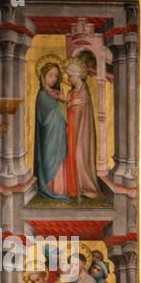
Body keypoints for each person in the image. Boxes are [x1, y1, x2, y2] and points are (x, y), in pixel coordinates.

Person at [61, 57, 101, 199]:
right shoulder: (72, 93)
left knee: (80, 156)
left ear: (77, 75)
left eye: (70, 76)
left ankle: (86, 187)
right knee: (71, 156)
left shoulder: (84, 92)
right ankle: (73, 188)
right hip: (70, 130)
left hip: (80, 132)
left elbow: (81, 111)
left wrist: (70, 104)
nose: (68, 78)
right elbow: (68, 108)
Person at [34, 59, 70, 199]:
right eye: (50, 75)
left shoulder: (56, 93)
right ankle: (49, 187)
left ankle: (60, 188)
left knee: (60, 161)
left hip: (59, 134)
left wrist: (62, 101)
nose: (53, 79)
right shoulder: (43, 95)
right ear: (43, 76)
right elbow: (45, 119)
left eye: (56, 76)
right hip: (49, 135)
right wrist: (60, 104)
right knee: (49, 160)